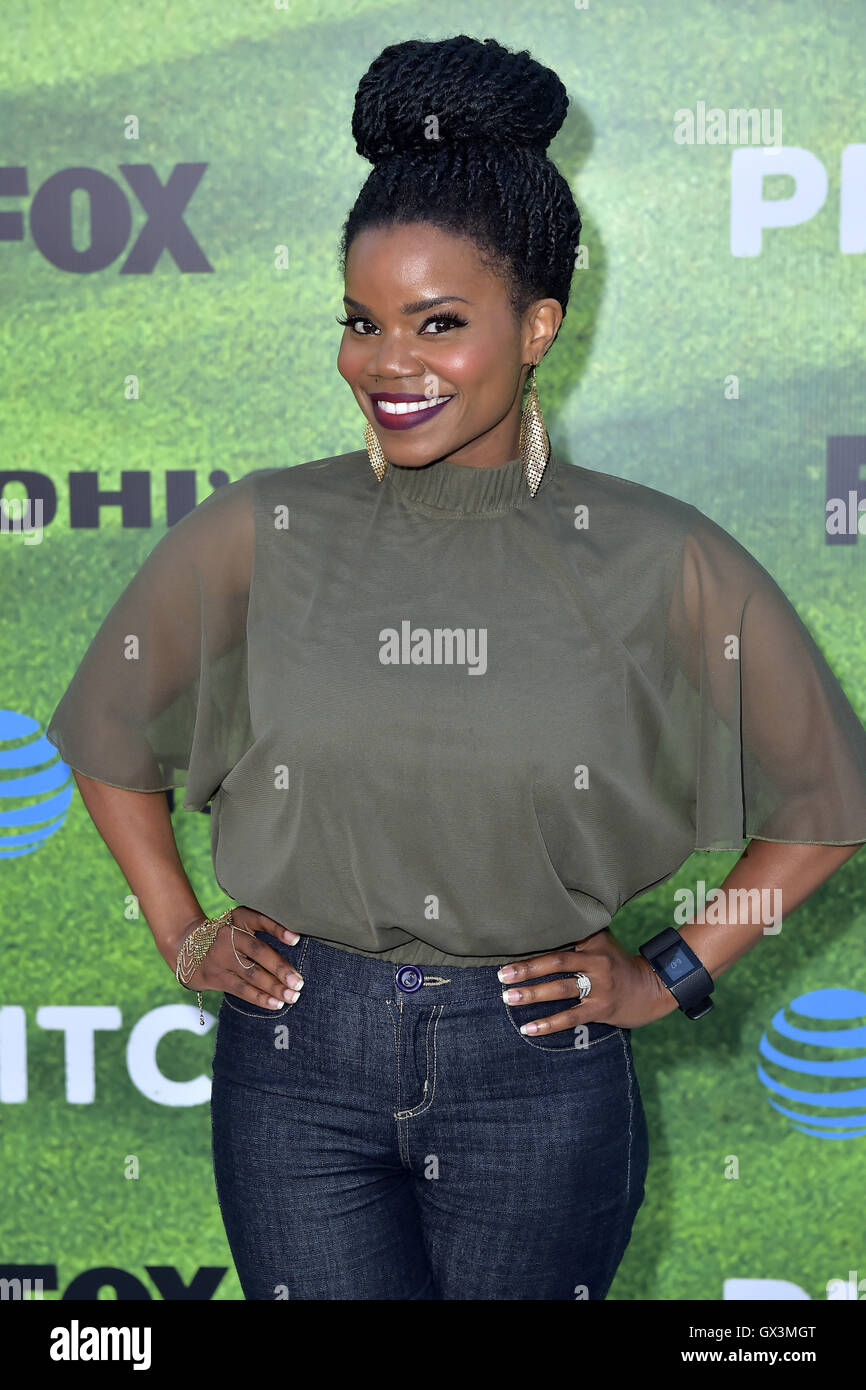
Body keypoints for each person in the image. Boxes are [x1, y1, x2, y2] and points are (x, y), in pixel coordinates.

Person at [45, 35, 866, 1301]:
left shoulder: (656, 554)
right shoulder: (258, 528)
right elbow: (107, 731)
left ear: (537, 325)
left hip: (534, 1066)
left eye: (439, 323)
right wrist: (183, 932)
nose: (389, 363)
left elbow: (826, 804)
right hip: (293, 1062)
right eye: (361, 322)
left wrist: (671, 973)